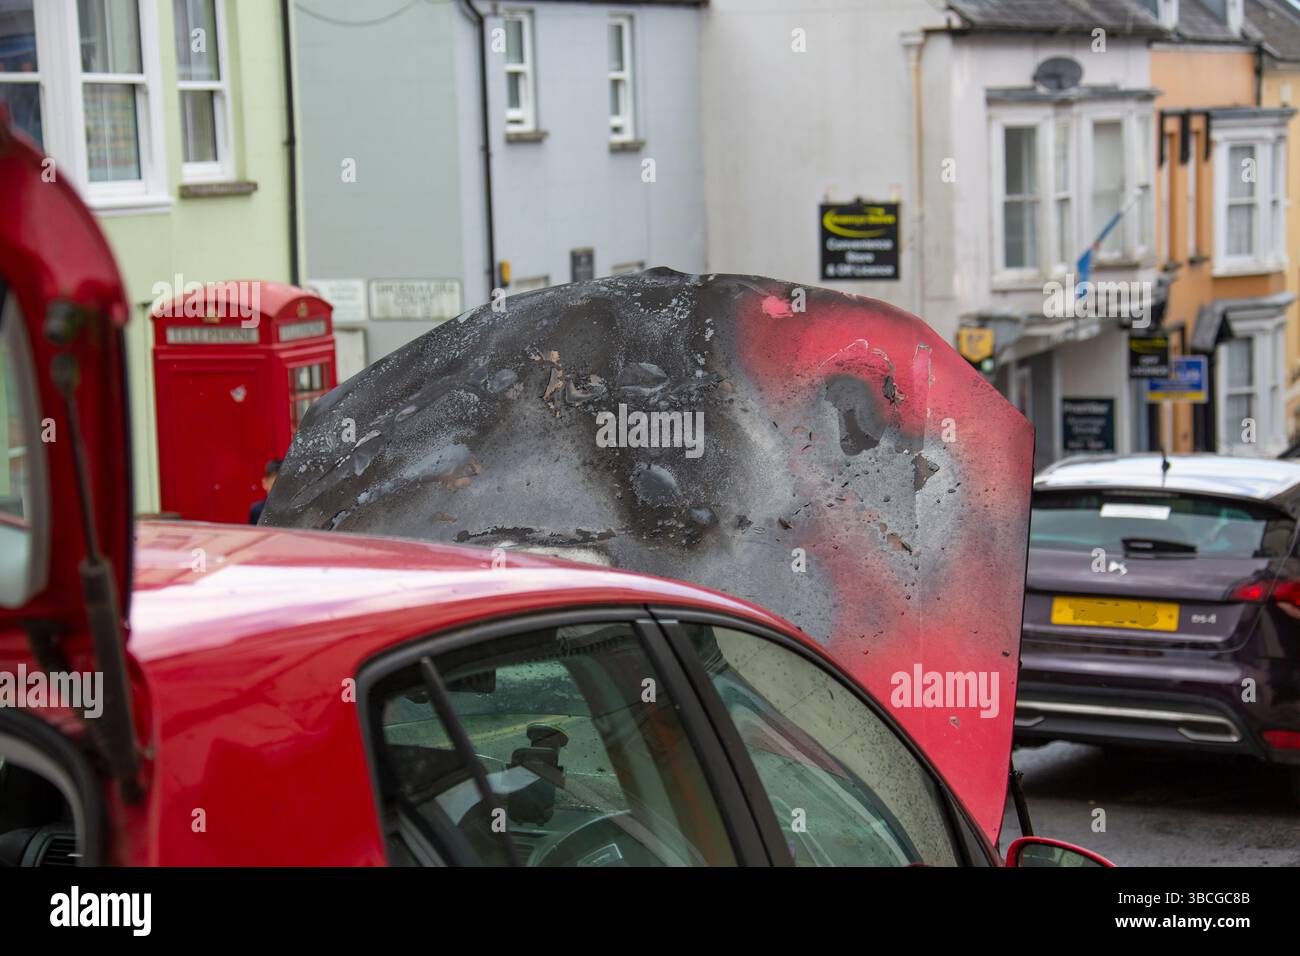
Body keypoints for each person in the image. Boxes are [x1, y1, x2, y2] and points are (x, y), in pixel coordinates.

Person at [249, 459, 282, 525]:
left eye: (282, 485)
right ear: (264, 483)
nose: (278, 490)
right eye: (274, 485)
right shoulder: (257, 510)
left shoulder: (296, 510)